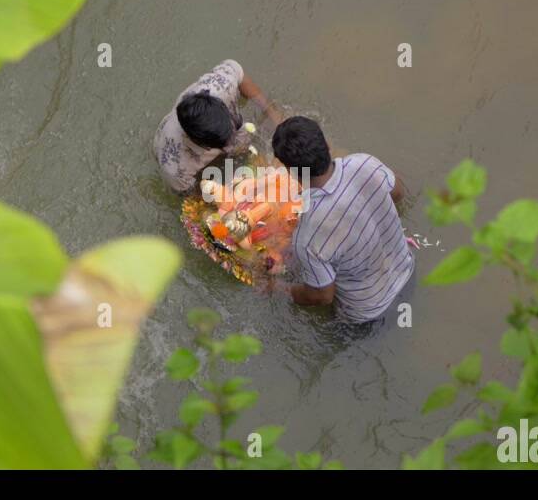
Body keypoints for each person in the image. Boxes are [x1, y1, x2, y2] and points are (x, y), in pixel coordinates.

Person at [269, 116, 414, 323]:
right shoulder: (366, 163)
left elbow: (322, 296)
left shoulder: (308, 235)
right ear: (327, 144)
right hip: (407, 274)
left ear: (292, 173)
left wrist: (278, 288)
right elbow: (398, 194)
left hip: (368, 315)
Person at [154, 60, 282, 193]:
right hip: (184, 151)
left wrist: (270, 110)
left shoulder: (220, 86)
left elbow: (239, 73)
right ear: (199, 142)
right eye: (223, 143)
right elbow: (194, 195)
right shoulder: (176, 168)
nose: (231, 142)